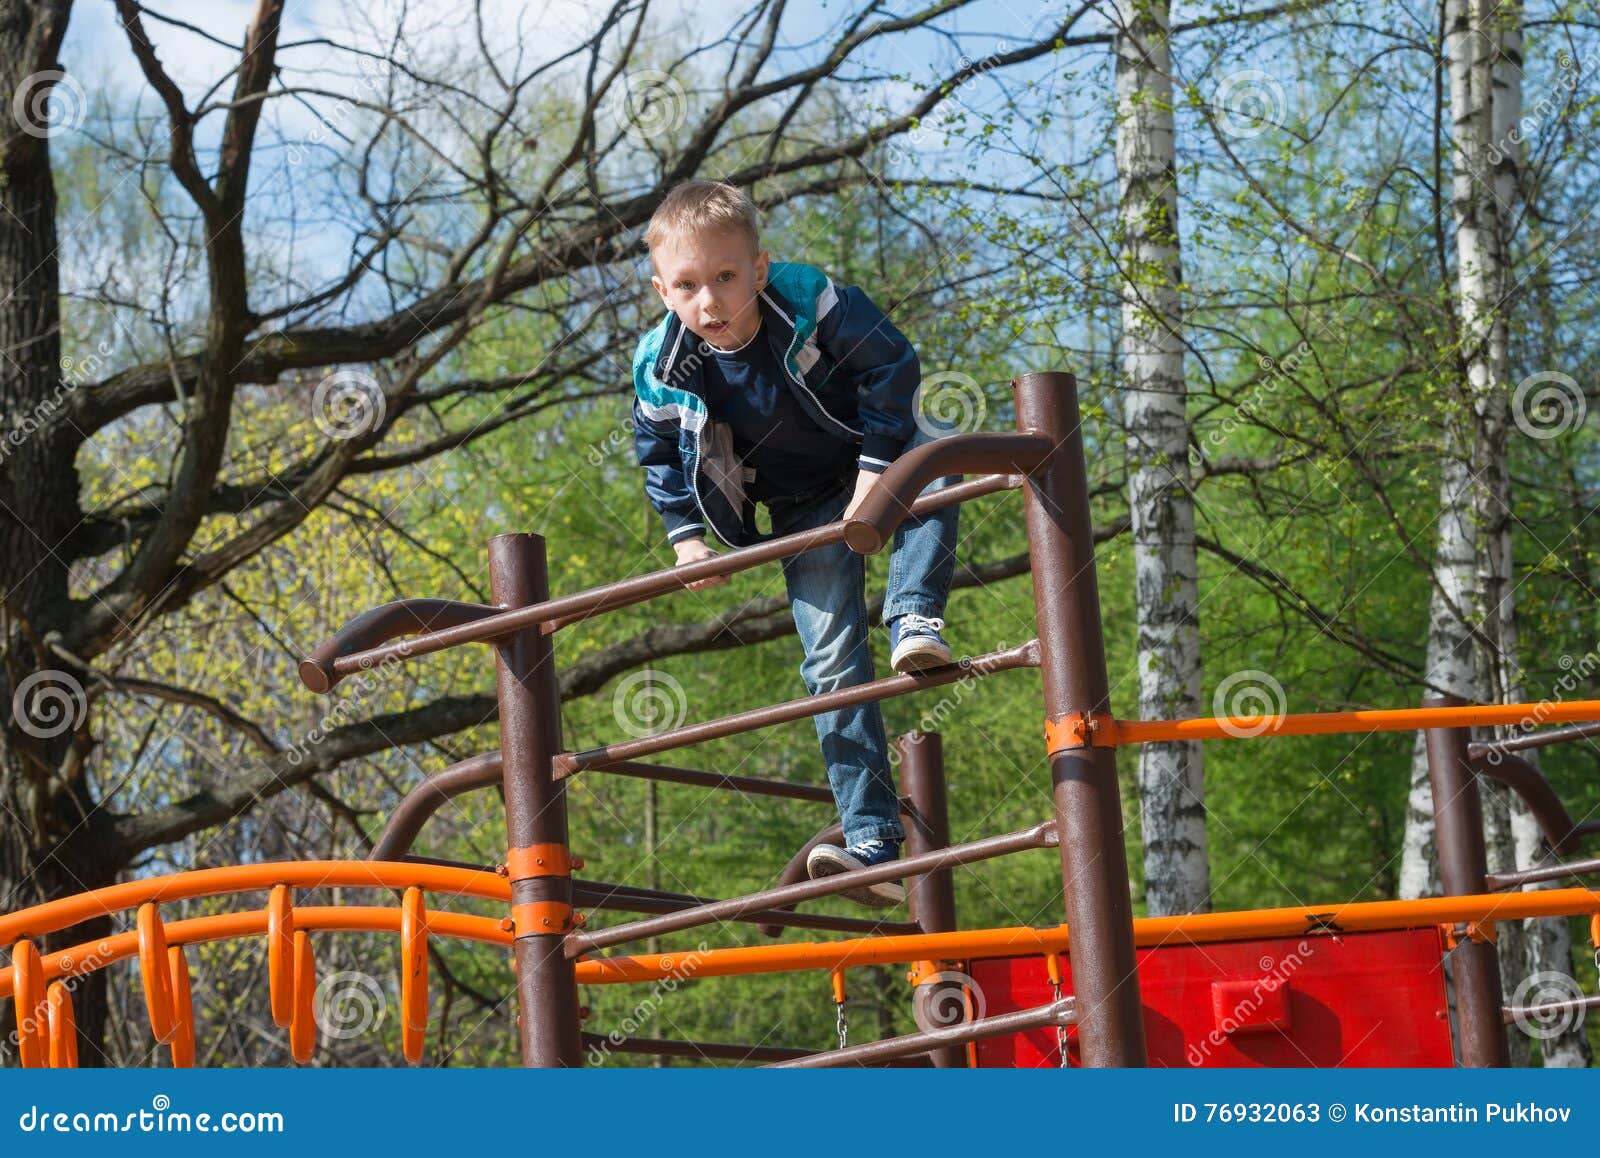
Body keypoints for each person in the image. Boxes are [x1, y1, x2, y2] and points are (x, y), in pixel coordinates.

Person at [630, 179, 960, 908]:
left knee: (944, 448)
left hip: (880, 452)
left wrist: (875, 479)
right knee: (830, 657)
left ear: (760, 267)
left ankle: (914, 615)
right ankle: (871, 836)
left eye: (725, 277)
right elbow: (656, 454)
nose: (710, 302)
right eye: (687, 286)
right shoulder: (661, 366)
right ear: (662, 291)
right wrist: (687, 540)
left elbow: (891, 365)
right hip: (803, 503)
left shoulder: (812, 300)